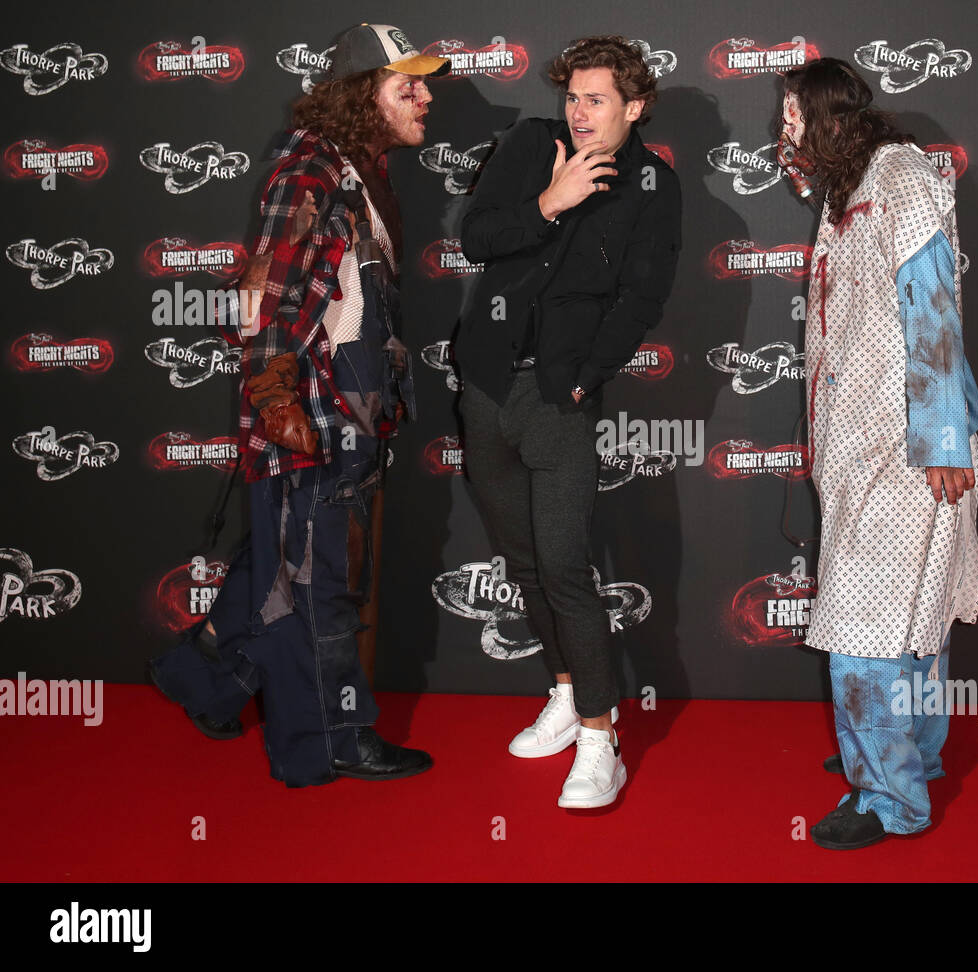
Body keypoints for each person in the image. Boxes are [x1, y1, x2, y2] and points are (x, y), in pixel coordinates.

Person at [149, 24, 449, 788]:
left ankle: (206, 681)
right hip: (314, 418)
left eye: (423, 82)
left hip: (347, 414)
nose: (425, 96)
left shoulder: (357, 170)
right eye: (405, 85)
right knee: (321, 587)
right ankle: (329, 742)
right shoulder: (309, 173)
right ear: (361, 96)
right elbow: (260, 303)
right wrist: (282, 402)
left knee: (283, 571)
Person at [454, 35, 681, 809]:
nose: (579, 114)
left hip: (558, 401)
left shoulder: (654, 185)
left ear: (635, 106)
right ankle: (561, 691)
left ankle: (598, 736)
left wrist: (585, 380)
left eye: (597, 100)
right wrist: (550, 202)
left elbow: (642, 301)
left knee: (563, 567)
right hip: (485, 387)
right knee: (521, 562)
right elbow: (474, 237)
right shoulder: (529, 146)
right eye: (573, 98)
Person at [777, 58, 978, 848]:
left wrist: (937, 438)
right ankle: (911, 758)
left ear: (829, 112)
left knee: (868, 631)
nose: (782, 130)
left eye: (792, 115)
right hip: (868, 448)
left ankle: (888, 799)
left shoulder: (897, 174)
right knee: (910, 626)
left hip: (908, 451)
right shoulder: (851, 185)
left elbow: (931, 298)